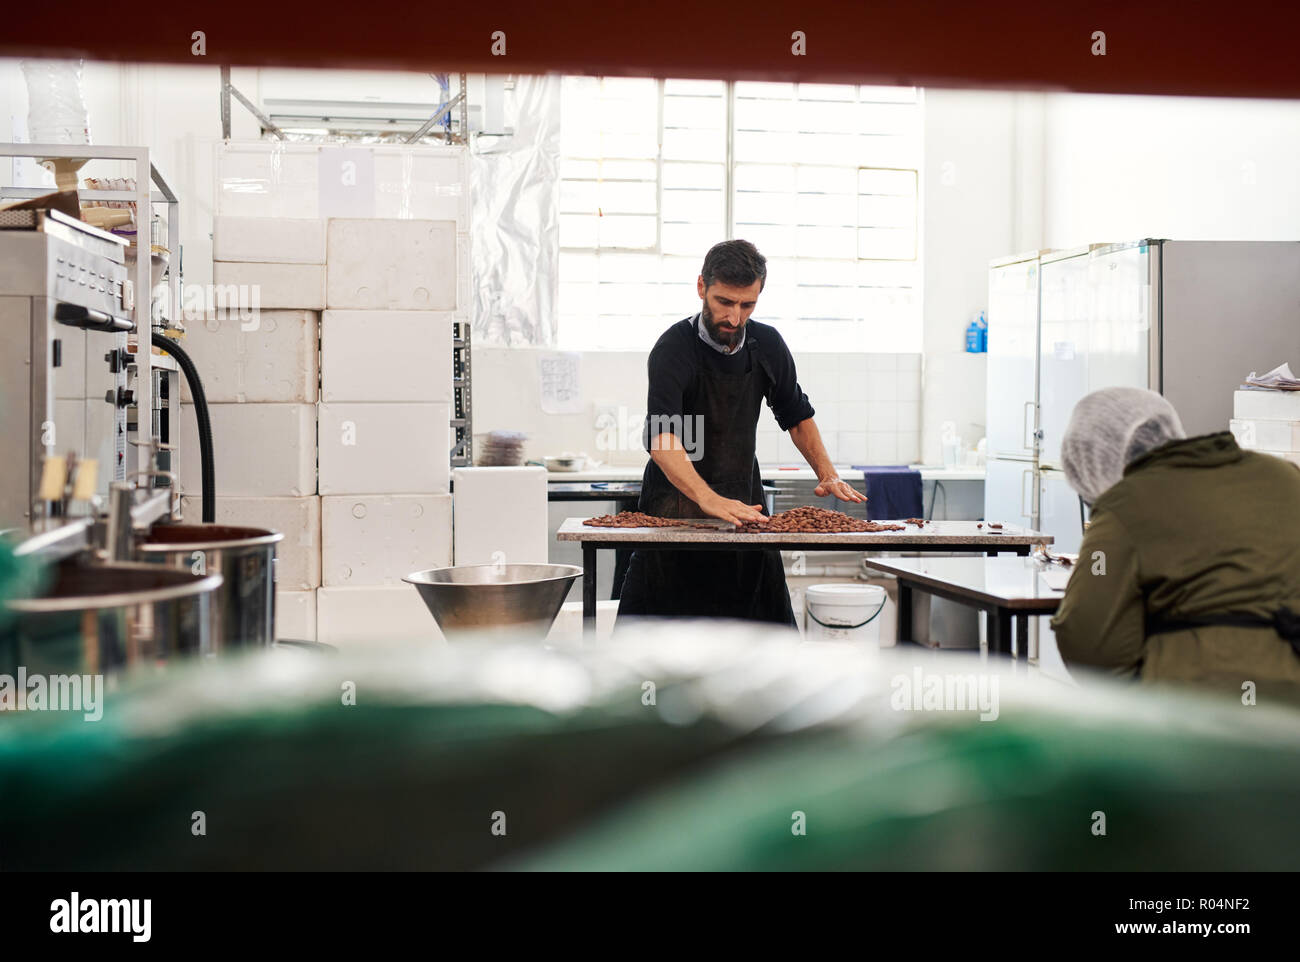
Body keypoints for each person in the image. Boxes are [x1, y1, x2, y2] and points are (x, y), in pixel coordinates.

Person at [616, 240, 865, 627]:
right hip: (672, 517)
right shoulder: (672, 349)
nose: (734, 318)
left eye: (747, 305)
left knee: (762, 641)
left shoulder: (767, 345)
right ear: (702, 287)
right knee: (661, 647)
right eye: (724, 302)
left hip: (745, 515)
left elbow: (797, 416)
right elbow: (663, 439)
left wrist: (826, 472)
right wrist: (707, 498)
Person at [1050, 386, 1300, 701]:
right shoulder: (1284, 477)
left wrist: (1141, 691)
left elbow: (1088, 636)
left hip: (1197, 707)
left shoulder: (1126, 505)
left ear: (1099, 463)